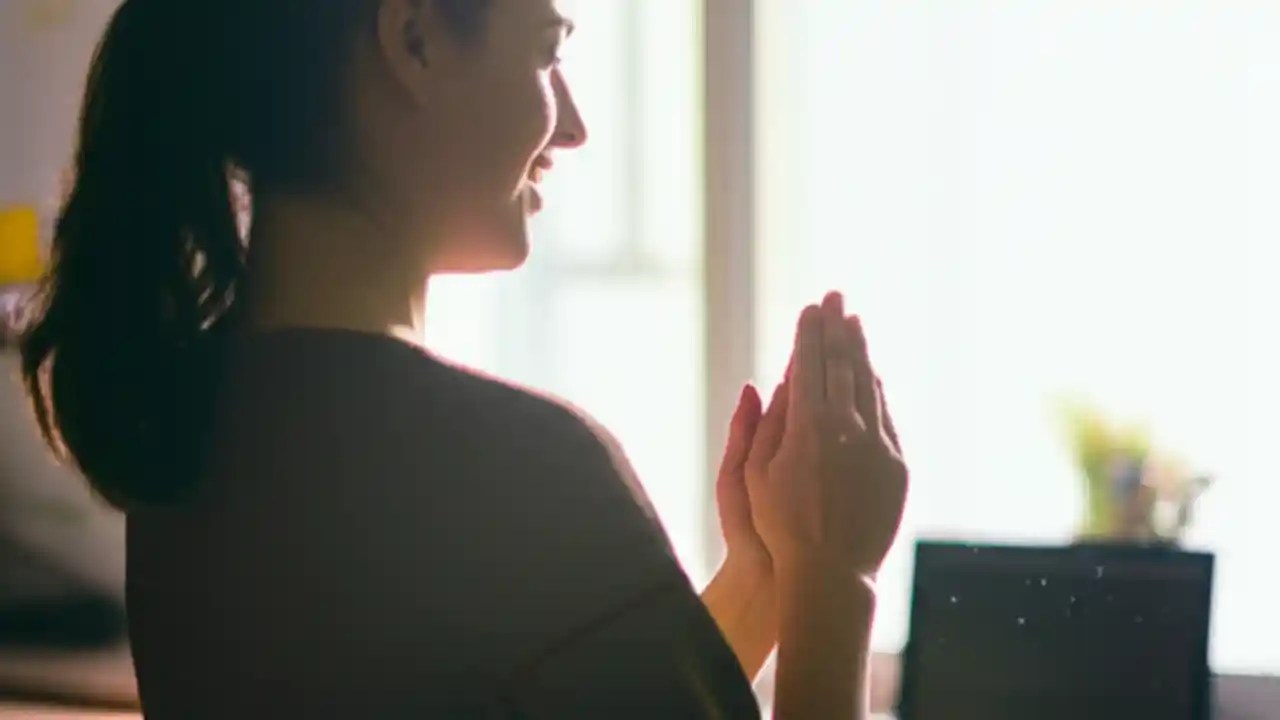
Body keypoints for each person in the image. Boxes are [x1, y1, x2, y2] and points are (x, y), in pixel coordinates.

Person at [18, 0, 908, 717]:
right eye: (545, 50)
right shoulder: (521, 469)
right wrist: (836, 583)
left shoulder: (186, 435)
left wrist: (761, 582)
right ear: (414, 41)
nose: (577, 127)